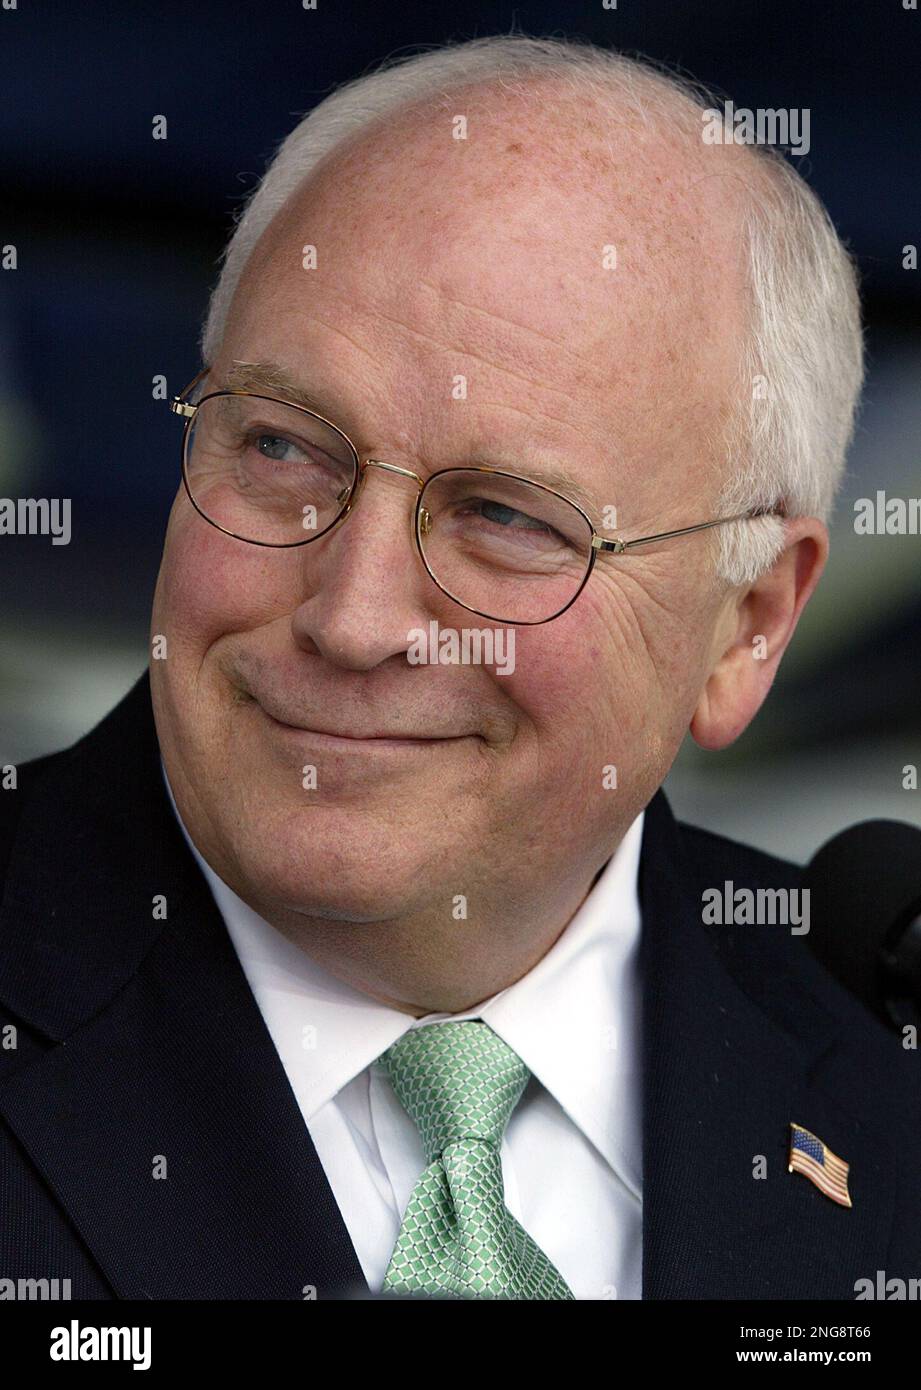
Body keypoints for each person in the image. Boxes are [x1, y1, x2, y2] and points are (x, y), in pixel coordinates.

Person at [1, 34, 917, 1301]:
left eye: (507, 517)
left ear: (747, 623)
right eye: (277, 446)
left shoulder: (886, 1064)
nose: (356, 616)